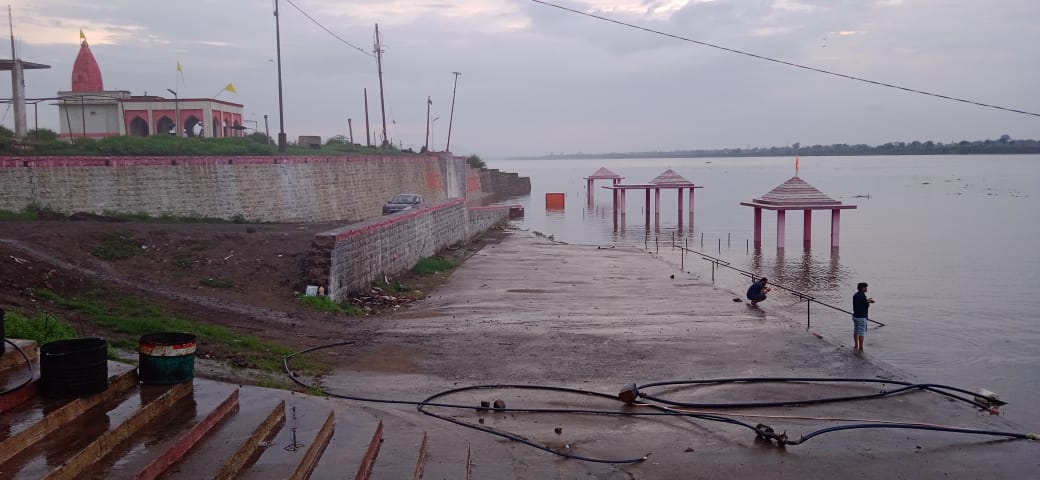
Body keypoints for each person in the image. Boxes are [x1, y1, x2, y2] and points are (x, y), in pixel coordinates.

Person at [851, 282, 876, 351]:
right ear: (863, 288)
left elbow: (860, 303)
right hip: (861, 317)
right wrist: (869, 302)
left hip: (855, 316)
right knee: (861, 332)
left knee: (856, 331)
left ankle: (856, 345)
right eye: (866, 287)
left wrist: (867, 301)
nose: (867, 289)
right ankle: (861, 347)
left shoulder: (855, 295)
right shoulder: (862, 296)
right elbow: (866, 305)